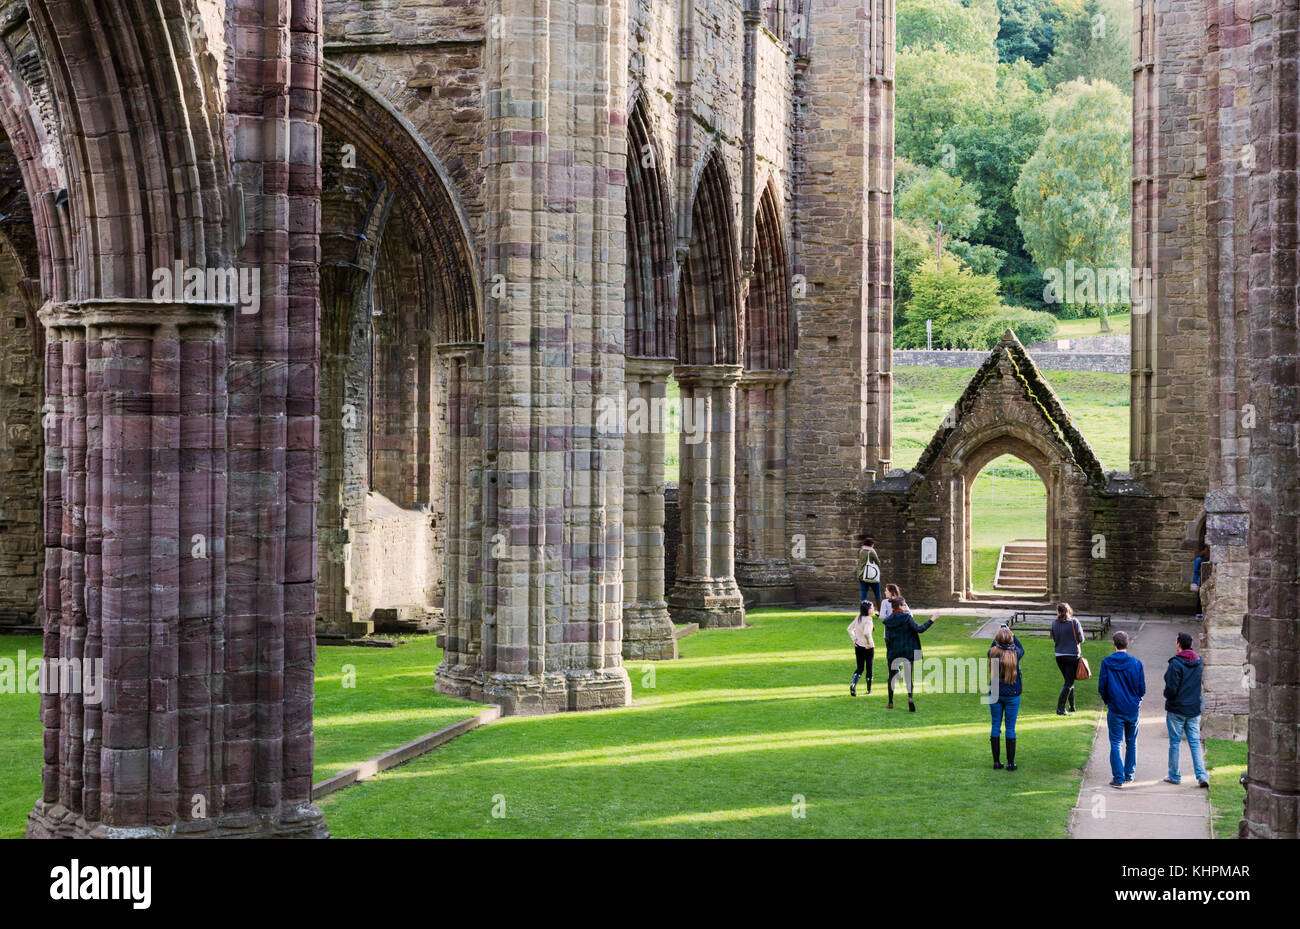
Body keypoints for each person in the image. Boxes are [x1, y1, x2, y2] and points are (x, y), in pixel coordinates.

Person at [1097, 630, 1145, 788]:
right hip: (1131, 708)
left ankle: (1118, 777)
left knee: (1116, 743)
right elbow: (1141, 688)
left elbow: (1102, 686)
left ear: (1114, 644)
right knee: (1131, 742)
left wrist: (1108, 701)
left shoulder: (1107, 662)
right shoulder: (1136, 663)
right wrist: (1137, 700)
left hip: (1116, 707)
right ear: (1127, 643)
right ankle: (1129, 775)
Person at [1163, 632, 1209, 788]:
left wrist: (1167, 696)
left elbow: (1171, 688)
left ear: (1178, 644)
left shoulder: (1175, 664)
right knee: (1195, 742)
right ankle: (1202, 775)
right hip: (1194, 708)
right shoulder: (1199, 661)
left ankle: (1174, 775)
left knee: (1175, 743)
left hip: (1177, 709)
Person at [883, 598, 934, 712]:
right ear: (900, 606)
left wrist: (890, 651)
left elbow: (887, 638)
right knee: (908, 677)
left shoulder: (888, 620)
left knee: (891, 677)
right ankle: (910, 697)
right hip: (907, 651)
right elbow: (919, 629)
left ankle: (890, 702)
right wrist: (932, 619)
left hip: (894, 652)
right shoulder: (907, 617)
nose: (906, 607)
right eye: (904, 605)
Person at [987, 625, 1025, 771]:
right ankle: (1010, 763)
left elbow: (993, 645)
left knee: (995, 725)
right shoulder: (1016, 654)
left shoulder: (992, 652)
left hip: (995, 692)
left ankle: (996, 762)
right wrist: (1010, 633)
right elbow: (1021, 646)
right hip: (1012, 694)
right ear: (1010, 639)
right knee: (1010, 728)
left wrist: (999, 633)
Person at [1051, 602, 1084, 716]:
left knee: (1068, 681)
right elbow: (1081, 639)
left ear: (1058, 611)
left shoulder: (1054, 623)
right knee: (1069, 682)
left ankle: (1072, 706)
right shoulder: (1074, 622)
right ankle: (1060, 709)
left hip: (1059, 656)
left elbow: (1054, 638)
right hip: (1072, 655)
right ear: (1069, 610)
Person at [847, 600, 876, 697]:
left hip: (858, 646)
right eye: (872, 608)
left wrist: (854, 639)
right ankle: (868, 690)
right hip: (868, 647)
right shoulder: (868, 619)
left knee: (860, 668)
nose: (873, 609)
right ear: (867, 609)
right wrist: (868, 643)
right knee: (869, 668)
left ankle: (853, 685)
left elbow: (849, 629)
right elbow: (867, 633)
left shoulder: (858, 617)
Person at [856, 537, 882, 608]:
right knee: (877, 594)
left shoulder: (861, 551)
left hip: (862, 576)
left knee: (863, 594)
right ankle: (880, 612)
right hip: (872, 576)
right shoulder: (872, 552)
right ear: (872, 544)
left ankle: (863, 613)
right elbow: (878, 563)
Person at [1191, 546, 1209, 619]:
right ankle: (1198, 613)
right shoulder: (1199, 559)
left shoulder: (1206, 559)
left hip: (1203, 579)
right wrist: (1204, 571)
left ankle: (1202, 612)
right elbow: (1195, 570)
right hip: (1198, 580)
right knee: (1199, 597)